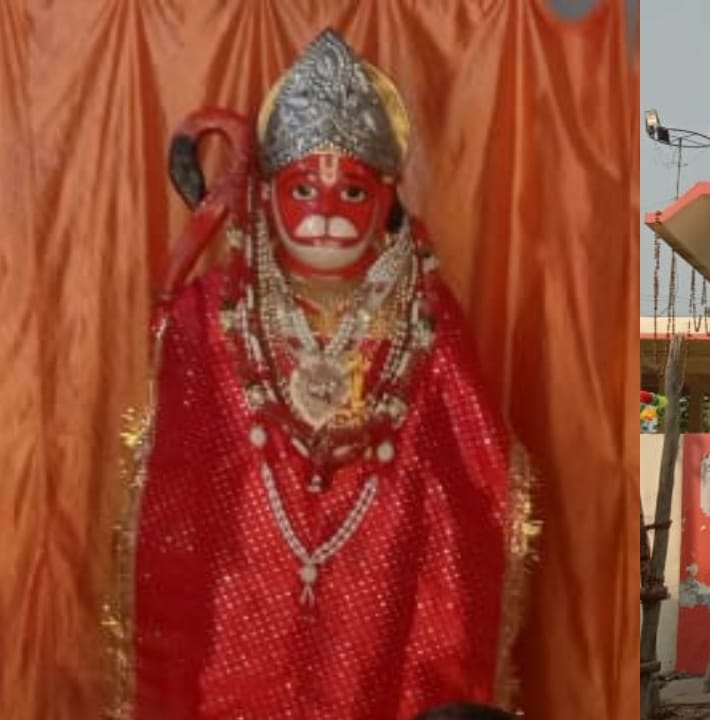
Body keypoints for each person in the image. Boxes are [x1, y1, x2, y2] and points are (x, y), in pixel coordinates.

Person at [110, 28, 536, 719]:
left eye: (354, 193)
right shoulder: (212, 309)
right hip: (240, 595)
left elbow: (475, 481)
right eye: (305, 187)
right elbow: (176, 487)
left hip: (388, 591)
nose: (328, 215)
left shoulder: (427, 315)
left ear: (390, 197)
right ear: (269, 192)